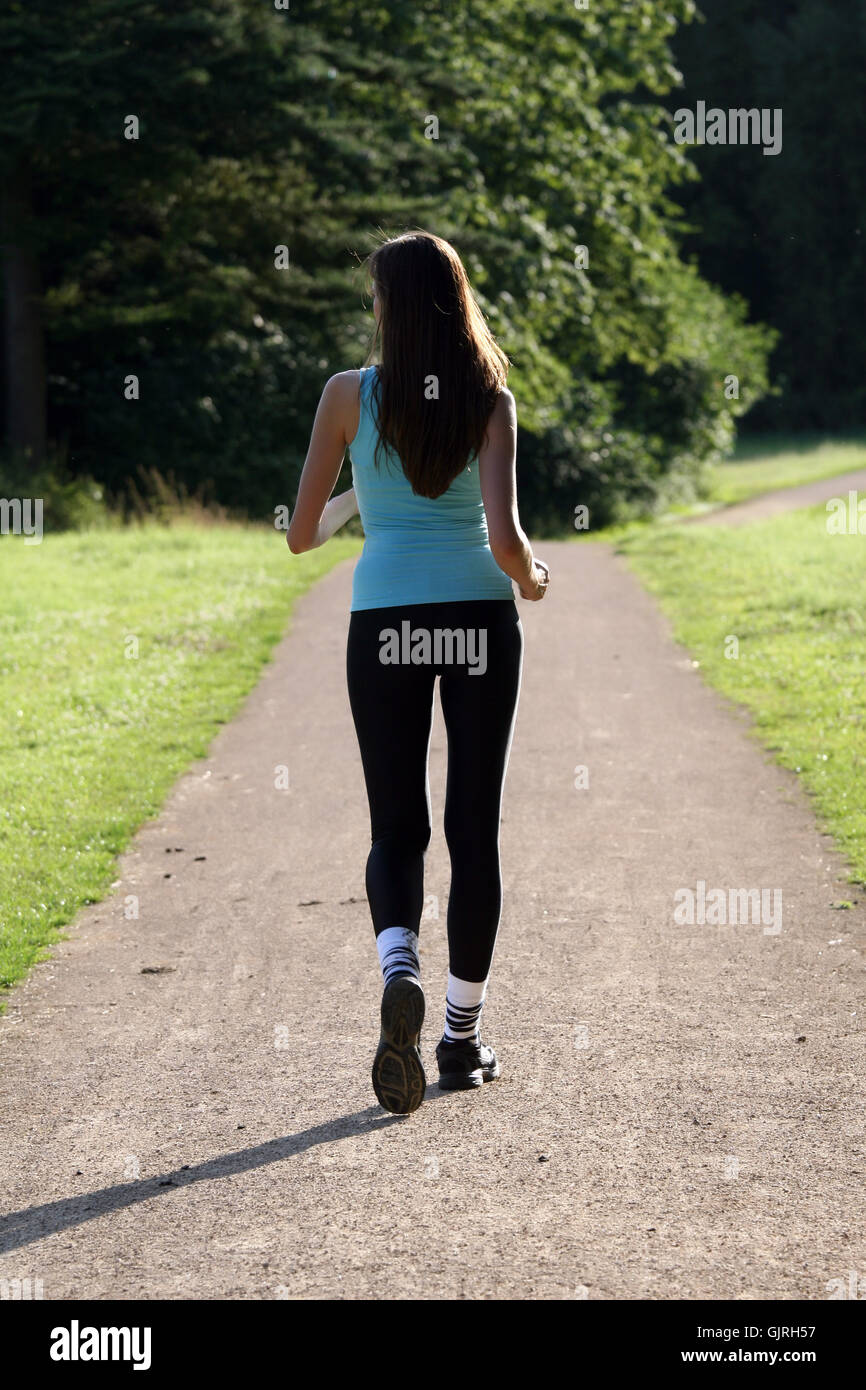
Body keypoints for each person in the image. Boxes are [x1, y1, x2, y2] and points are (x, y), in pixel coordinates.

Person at [288, 230, 549, 1115]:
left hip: (385, 622)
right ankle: (460, 1040)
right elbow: (505, 540)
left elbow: (301, 535)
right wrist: (534, 580)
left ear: (391, 307)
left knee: (396, 826)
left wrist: (365, 491)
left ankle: (398, 965)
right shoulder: (490, 399)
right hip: (477, 619)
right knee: (474, 829)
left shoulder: (346, 396)